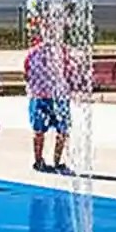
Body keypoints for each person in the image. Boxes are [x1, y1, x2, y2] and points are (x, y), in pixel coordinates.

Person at [23, 25, 78, 173]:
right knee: (62, 130)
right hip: (59, 97)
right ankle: (57, 161)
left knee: (39, 130)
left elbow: (26, 74)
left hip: (39, 96)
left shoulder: (33, 53)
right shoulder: (64, 52)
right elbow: (71, 73)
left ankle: (39, 161)